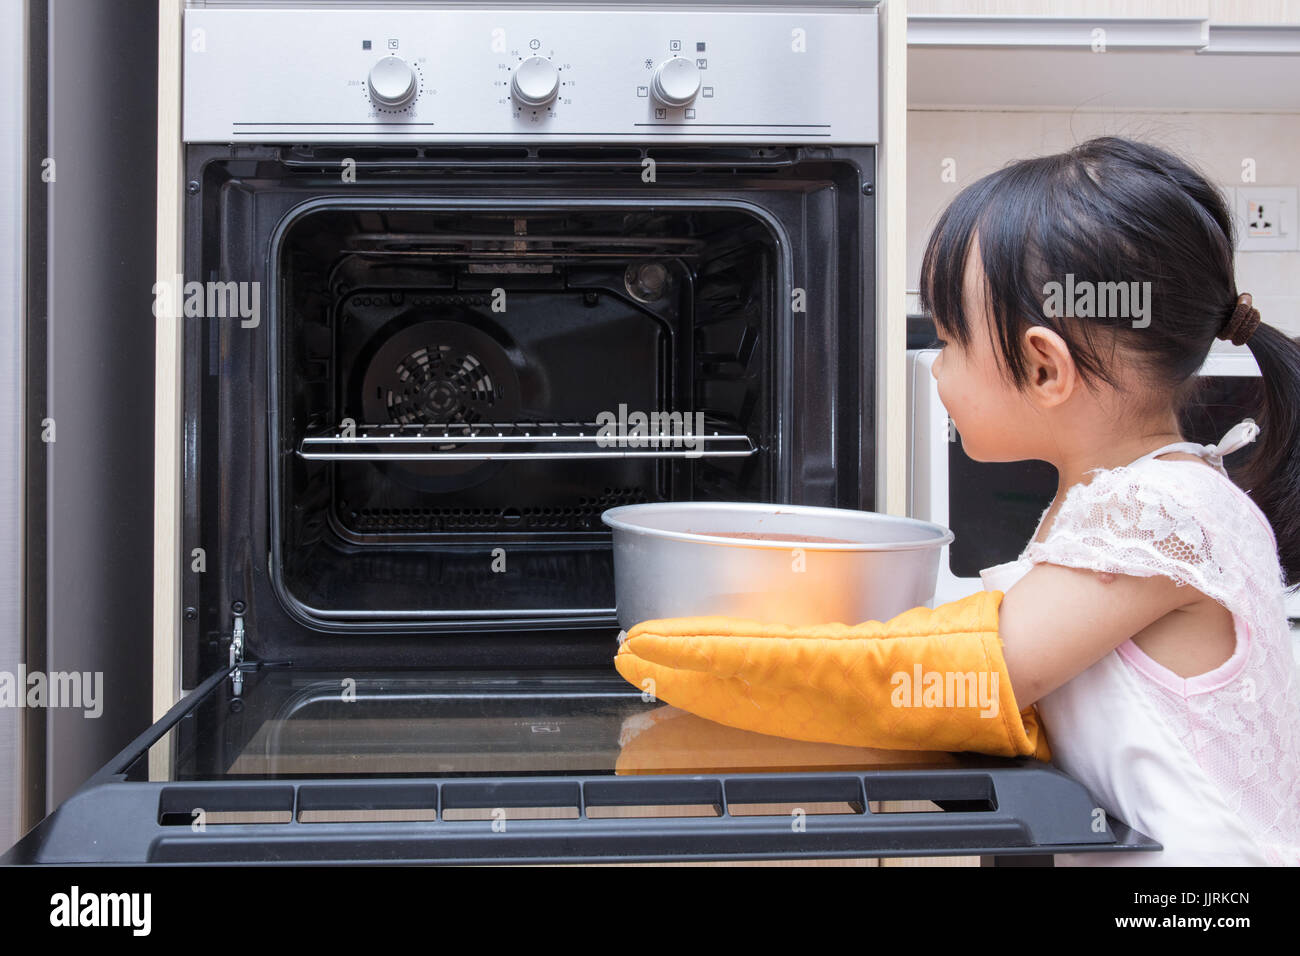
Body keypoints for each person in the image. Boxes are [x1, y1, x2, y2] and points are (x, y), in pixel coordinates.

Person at [615, 137, 1300, 865]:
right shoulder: (1151, 496)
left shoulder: (1159, 514)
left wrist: (718, 661)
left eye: (948, 342)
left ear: (1043, 368)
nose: (938, 368)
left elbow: (970, 677)